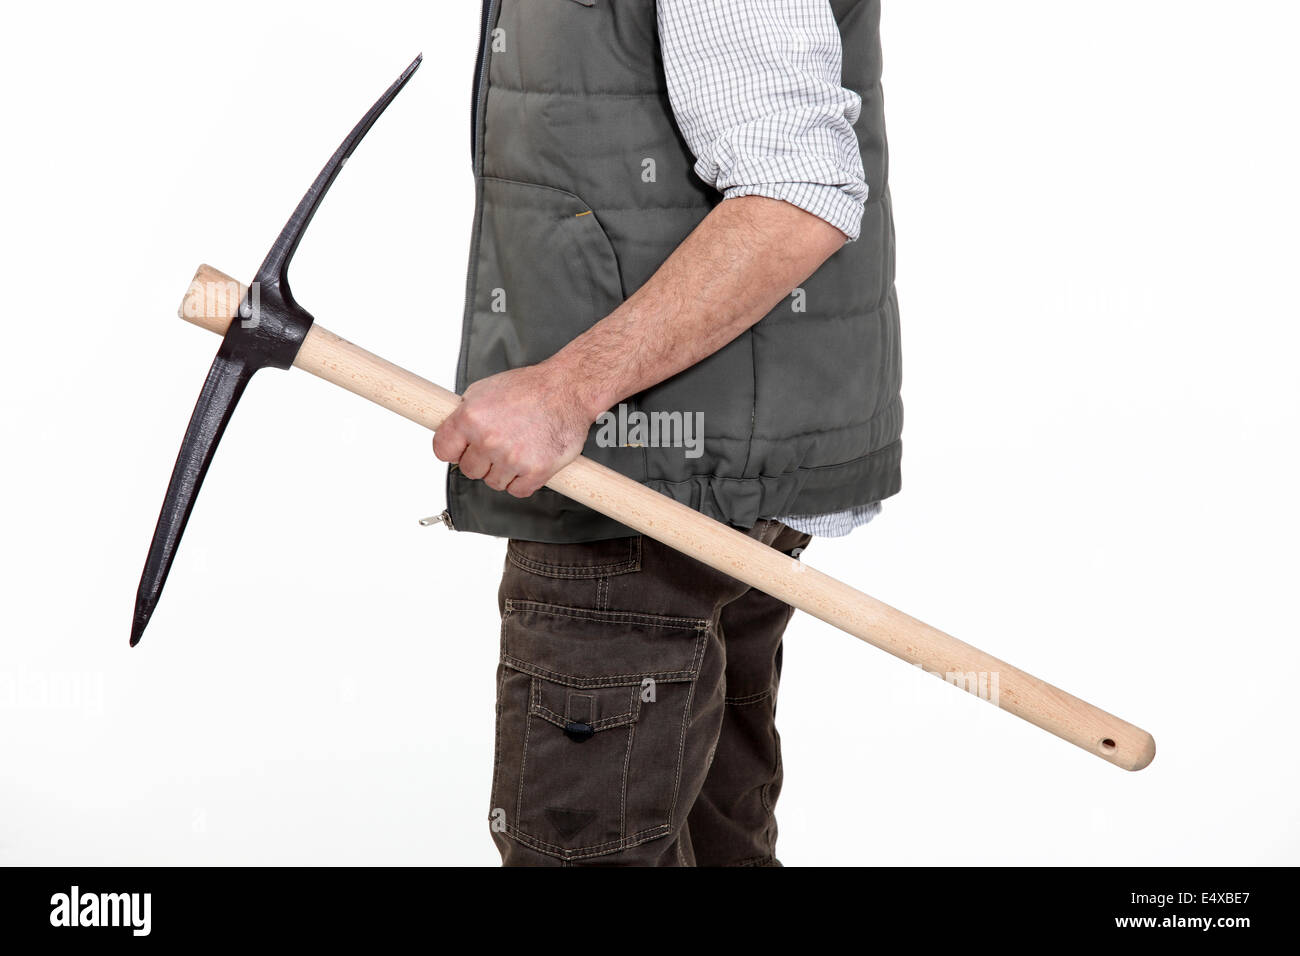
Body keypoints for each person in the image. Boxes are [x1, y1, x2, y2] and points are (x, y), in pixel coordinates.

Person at [434, 0, 901, 866]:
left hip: (637, 486)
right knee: (717, 844)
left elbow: (796, 191)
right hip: (690, 469)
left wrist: (567, 390)